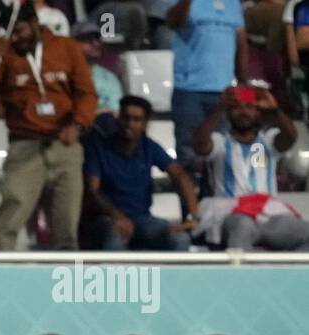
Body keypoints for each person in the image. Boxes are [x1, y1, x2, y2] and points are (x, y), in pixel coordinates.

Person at [0, 2, 96, 250]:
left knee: (67, 223)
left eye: (20, 31)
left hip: (65, 143)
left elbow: (87, 94)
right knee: (9, 219)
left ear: (35, 24)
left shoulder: (66, 47)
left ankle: (64, 280)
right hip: (24, 145)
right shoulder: (5, 51)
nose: (16, 38)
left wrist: (79, 124)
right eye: (11, 34)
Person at [193, 84, 309, 250]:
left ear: (258, 113)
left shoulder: (263, 145)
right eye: (236, 108)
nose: (243, 112)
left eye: (249, 107)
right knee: (243, 225)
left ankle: (286, 274)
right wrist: (219, 108)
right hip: (231, 213)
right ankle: (241, 276)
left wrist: (275, 110)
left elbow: (290, 136)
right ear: (228, 113)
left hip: (268, 214)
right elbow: (200, 144)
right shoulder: (220, 142)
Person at [84, 94, 199, 250]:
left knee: (180, 238)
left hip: (142, 219)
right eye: (126, 118)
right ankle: (115, 276)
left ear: (145, 124)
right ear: (118, 119)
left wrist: (192, 216)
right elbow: (92, 191)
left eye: (136, 120)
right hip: (107, 219)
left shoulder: (149, 147)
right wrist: (117, 216)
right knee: (114, 239)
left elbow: (180, 176)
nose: (129, 124)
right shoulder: (99, 148)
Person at [166, 0, 247, 170]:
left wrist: (243, 84)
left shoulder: (233, 4)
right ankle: (192, 196)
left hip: (225, 92)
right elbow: (173, 22)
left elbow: (241, 44)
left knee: (222, 153)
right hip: (188, 90)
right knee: (189, 154)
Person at [72, 19, 122, 117]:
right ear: (72, 43)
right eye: (88, 40)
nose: (96, 44)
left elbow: (116, 111)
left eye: (97, 39)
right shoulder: (63, 73)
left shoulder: (108, 77)